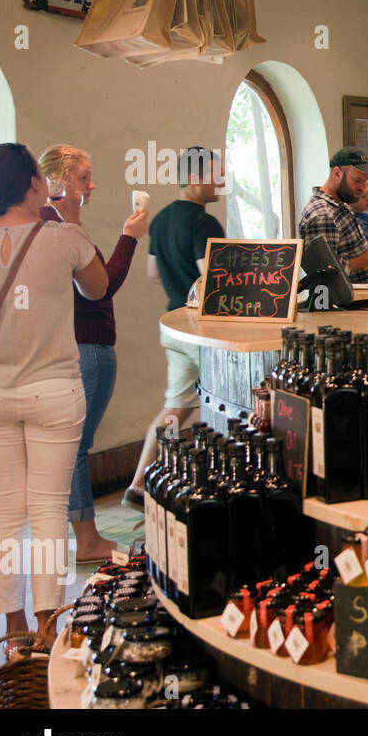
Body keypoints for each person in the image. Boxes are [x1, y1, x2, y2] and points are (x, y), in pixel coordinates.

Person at [0, 144, 109, 643]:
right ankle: (49, 625)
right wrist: (72, 219)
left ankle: (13, 632)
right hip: (54, 391)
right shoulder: (63, 237)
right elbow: (97, 288)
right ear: (35, 182)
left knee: (5, 513)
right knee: (49, 510)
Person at [38, 145, 148, 561]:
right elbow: (101, 288)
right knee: (75, 445)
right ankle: (87, 540)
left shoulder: (58, 224)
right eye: (83, 177)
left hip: (75, 346)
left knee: (69, 444)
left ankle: (79, 535)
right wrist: (129, 238)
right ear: (58, 182)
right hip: (86, 346)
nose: (91, 184)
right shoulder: (57, 228)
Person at [126, 147, 224, 504]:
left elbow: (153, 274)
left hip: (173, 327)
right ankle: (221, 487)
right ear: (196, 178)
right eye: (216, 174)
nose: (221, 182)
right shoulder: (203, 222)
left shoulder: (163, 218)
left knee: (175, 408)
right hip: (206, 331)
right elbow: (213, 276)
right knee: (226, 404)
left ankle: (138, 483)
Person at [299, 147, 368, 284]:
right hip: (355, 303)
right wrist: (367, 259)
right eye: (357, 180)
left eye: (364, 181)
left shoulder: (343, 205)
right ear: (337, 173)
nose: (362, 187)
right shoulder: (323, 215)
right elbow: (323, 272)